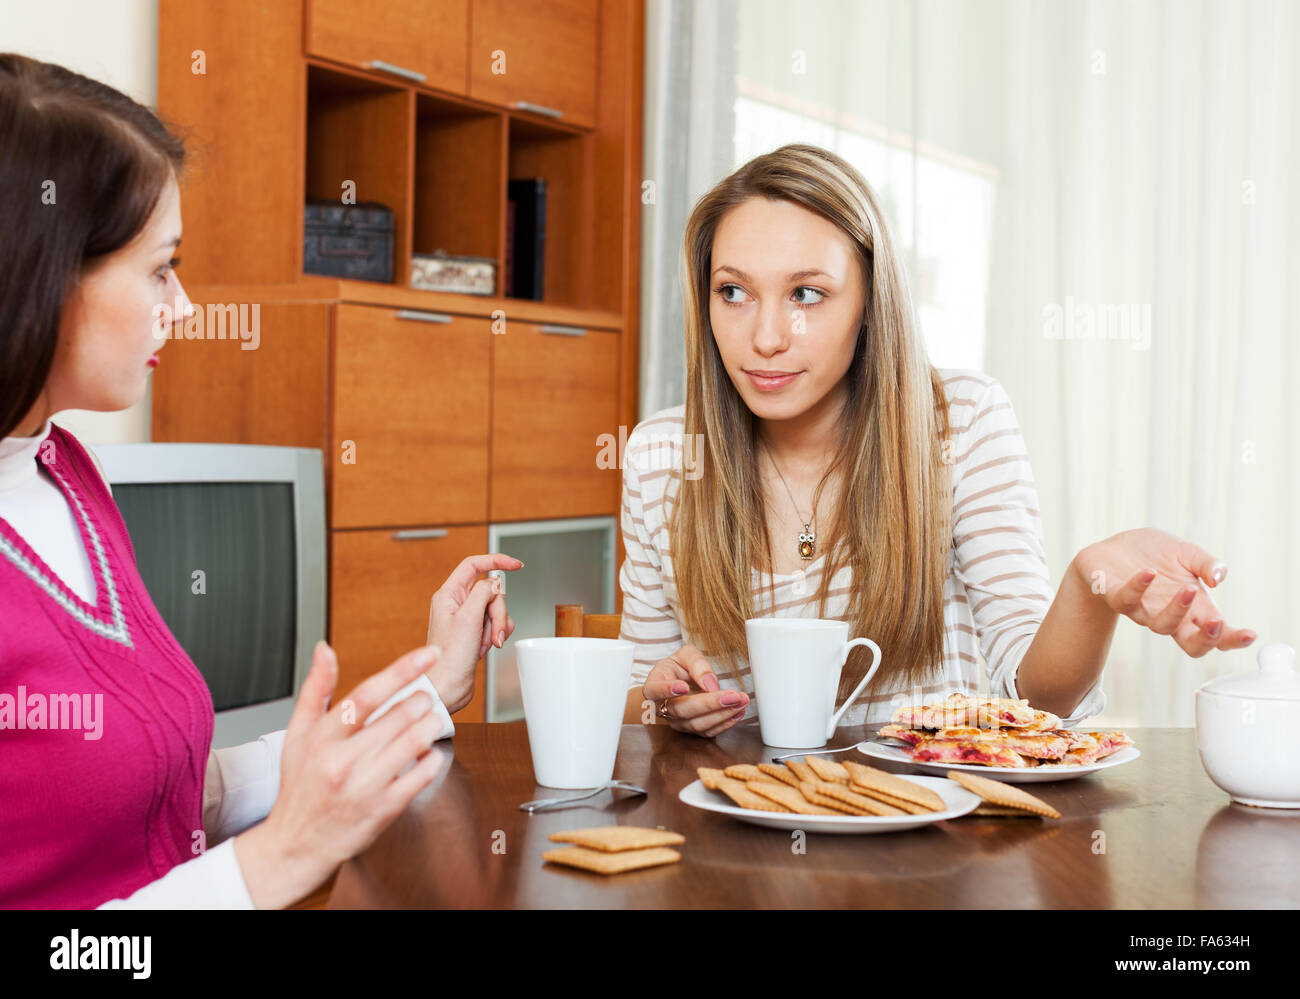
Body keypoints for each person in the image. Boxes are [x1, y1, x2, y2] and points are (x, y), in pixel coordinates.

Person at [0, 52, 519, 909]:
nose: (187, 307)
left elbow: (176, 793)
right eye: (160, 268)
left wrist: (429, 690)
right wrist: (274, 862)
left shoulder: (65, 470)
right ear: (43, 275)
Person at [620, 143, 1256, 737]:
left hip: (926, 835)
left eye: (807, 294)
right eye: (733, 292)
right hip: (731, 829)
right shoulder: (660, 456)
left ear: (871, 300)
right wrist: (660, 699)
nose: (765, 337)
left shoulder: (963, 421)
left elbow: (1036, 699)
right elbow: (636, 695)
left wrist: (1089, 587)